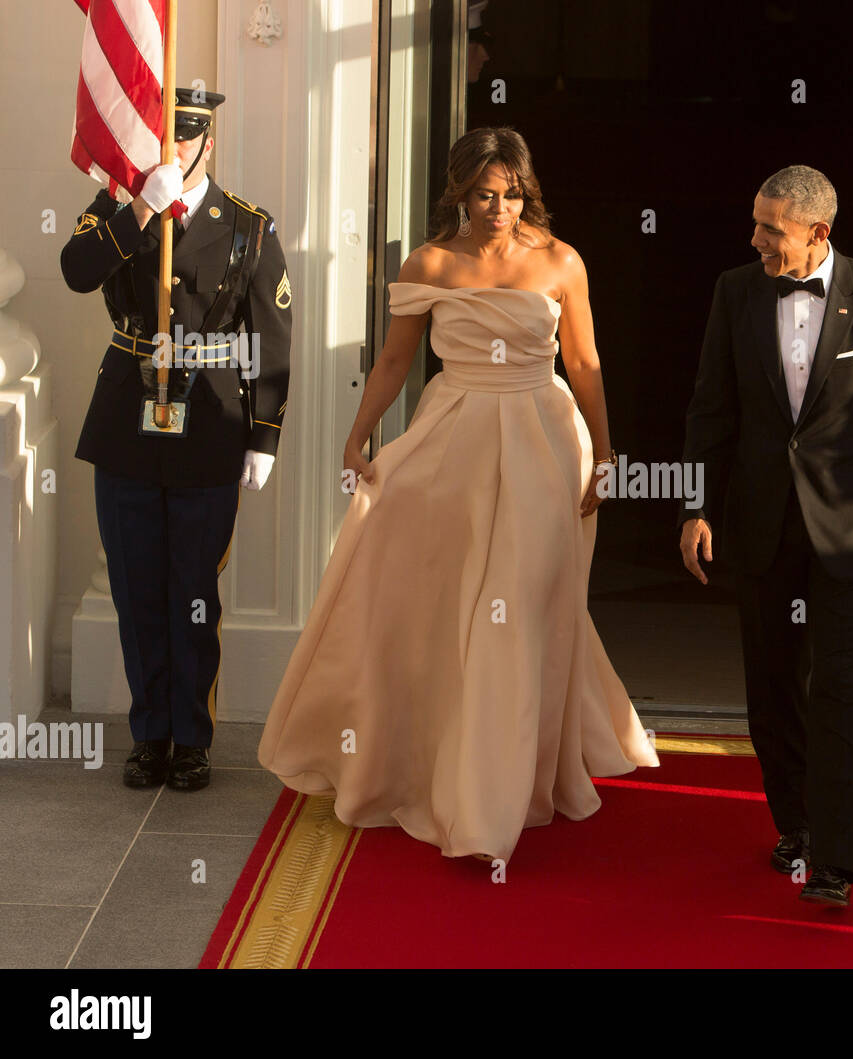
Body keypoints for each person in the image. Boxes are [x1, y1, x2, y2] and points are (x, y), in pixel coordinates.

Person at [257, 127, 658, 864]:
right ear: (459, 192)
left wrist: (605, 453)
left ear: (525, 191)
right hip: (454, 442)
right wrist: (358, 436)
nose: (498, 207)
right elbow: (394, 361)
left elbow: (586, 360)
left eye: (510, 194)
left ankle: (506, 791)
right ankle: (445, 774)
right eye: (483, 194)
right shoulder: (430, 263)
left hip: (544, 440)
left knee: (517, 607)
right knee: (448, 604)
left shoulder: (561, 261)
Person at [678, 165, 853, 907]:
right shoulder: (737, 290)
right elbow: (709, 409)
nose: (755, 239)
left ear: (818, 231)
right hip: (760, 523)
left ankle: (836, 863)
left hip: (850, 528)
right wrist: (697, 505)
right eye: (756, 223)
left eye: (771, 229)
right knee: (772, 684)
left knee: (842, 688)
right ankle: (797, 823)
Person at [62, 87, 292, 793]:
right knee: (137, 590)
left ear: (207, 145)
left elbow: (272, 340)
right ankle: (150, 734)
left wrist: (264, 436)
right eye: (163, 143)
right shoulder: (117, 208)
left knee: (193, 590)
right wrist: (139, 210)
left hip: (210, 425)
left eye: (186, 142)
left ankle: (191, 738)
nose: (173, 154)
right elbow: (76, 271)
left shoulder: (248, 227)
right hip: (128, 420)